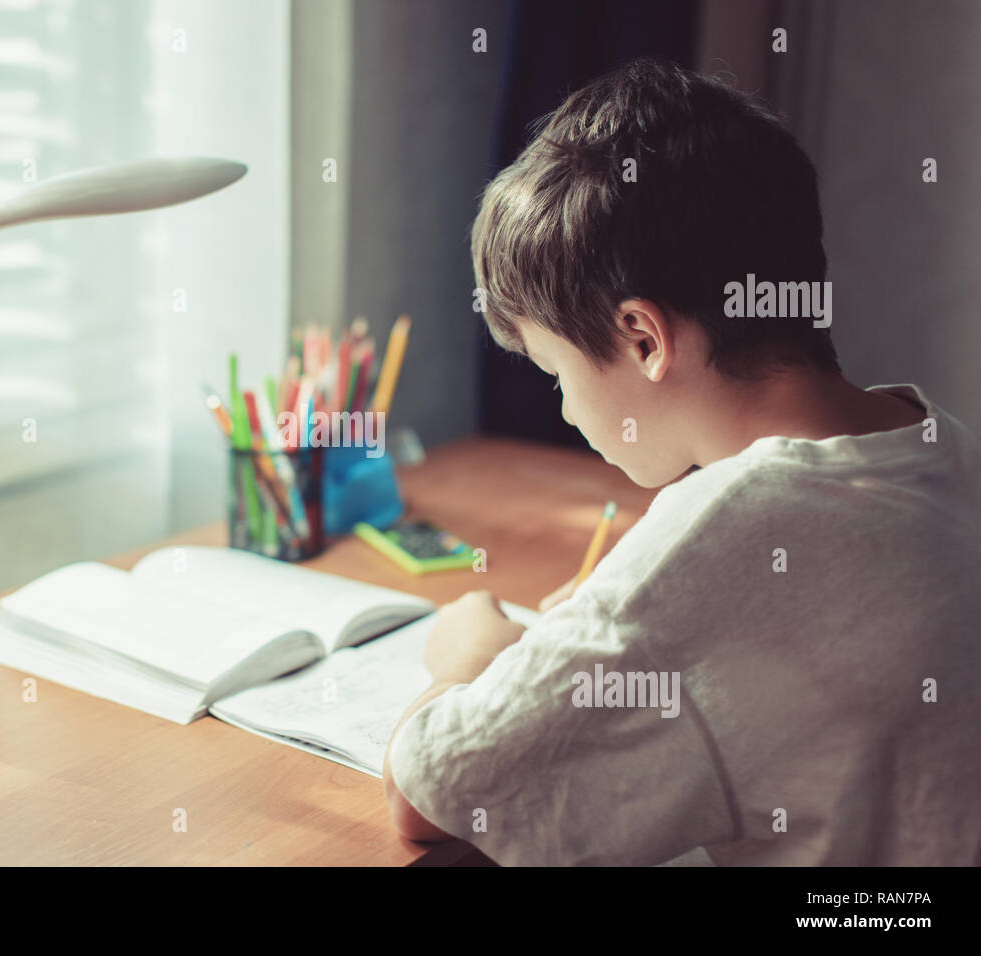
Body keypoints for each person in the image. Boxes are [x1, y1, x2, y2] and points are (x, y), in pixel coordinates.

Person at [383, 58, 981, 866]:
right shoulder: (939, 440)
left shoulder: (723, 536)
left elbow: (430, 799)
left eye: (557, 374)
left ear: (643, 340)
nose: (563, 406)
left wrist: (473, 657)